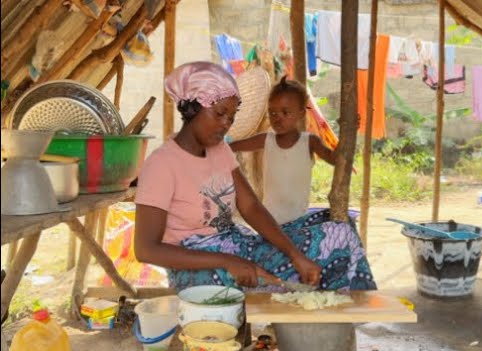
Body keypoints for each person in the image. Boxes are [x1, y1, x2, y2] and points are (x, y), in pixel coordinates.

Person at [133, 61, 376, 291]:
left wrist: (295, 255)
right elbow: (146, 249)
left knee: (339, 232)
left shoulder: (220, 151)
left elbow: (250, 207)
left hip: (238, 247)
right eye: (219, 113)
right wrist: (228, 261)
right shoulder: (162, 165)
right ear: (194, 108)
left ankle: (334, 319)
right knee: (258, 276)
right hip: (198, 269)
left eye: (231, 116)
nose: (226, 124)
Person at [229, 77, 337, 228]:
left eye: (285, 112)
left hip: (299, 223)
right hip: (270, 223)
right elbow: (232, 147)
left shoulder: (309, 142)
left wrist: (347, 133)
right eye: (273, 113)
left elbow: (334, 159)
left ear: (301, 113)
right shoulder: (266, 140)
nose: (278, 119)